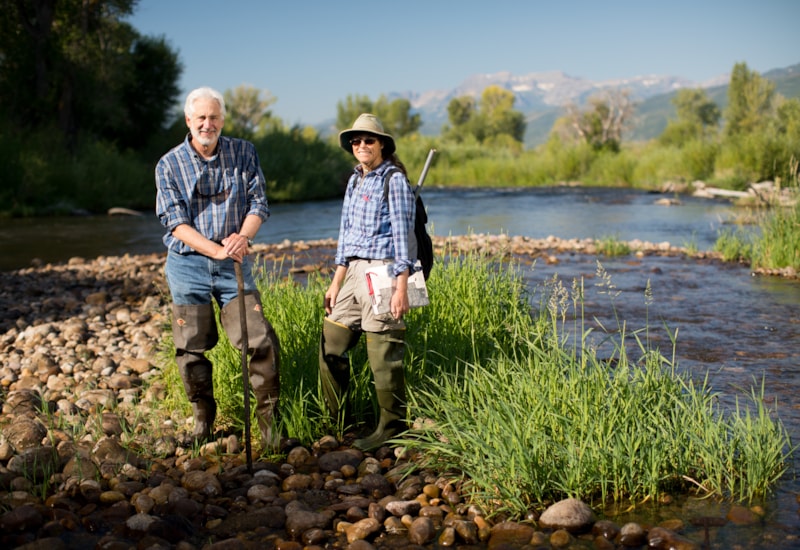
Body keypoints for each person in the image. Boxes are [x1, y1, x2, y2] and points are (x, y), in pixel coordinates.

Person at [155, 86, 281, 451]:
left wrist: (242, 238)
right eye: (201, 118)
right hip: (187, 264)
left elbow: (259, 202)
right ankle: (203, 419)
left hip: (234, 262)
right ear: (188, 121)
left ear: (222, 120)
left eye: (213, 117)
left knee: (258, 339)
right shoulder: (168, 164)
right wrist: (216, 250)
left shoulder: (244, 152)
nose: (207, 124)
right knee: (191, 348)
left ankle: (270, 425)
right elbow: (174, 221)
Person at [319, 113, 418, 451]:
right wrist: (336, 281)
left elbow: (405, 236)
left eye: (369, 140)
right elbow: (346, 234)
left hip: (385, 271)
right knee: (332, 339)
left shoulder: (395, 181)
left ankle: (391, 427)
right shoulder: (354, 180)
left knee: (383, 354)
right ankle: (338, 419)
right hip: (353, 272)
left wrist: (402, 286)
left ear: (382, 146)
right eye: (356, 140)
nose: (361, 145)